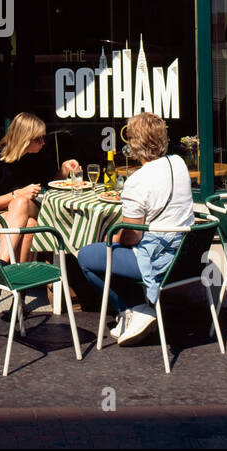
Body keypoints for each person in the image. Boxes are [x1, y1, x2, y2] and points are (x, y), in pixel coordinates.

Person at [76, 113, 195, 346]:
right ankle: (136, 310)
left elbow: (131, 237)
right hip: (186, 257)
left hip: (159, 261)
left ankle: (132, 309)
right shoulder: (179, 164)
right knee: (110, 249)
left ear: (132, 143)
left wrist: (110, 239)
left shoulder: (137, 181)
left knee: (88, 255)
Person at [0, 112, 80, 263]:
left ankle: (3, 266)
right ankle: (21, 281)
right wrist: (16, 194)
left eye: (43, 137)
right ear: (23, 140)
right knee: (30, 223)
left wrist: (64, 171)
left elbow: (49, 185)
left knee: (21, 204)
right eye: (38, 139)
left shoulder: (35, 156)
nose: (43, 143)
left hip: (25, 208)